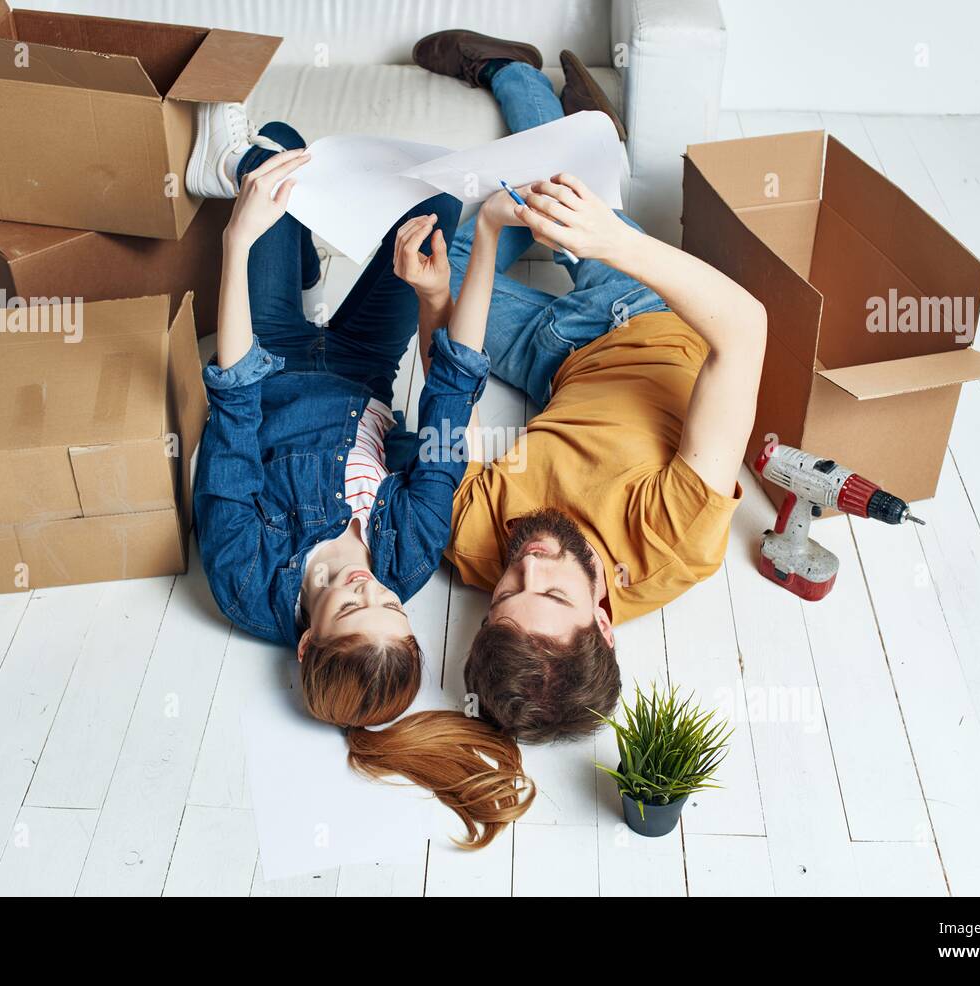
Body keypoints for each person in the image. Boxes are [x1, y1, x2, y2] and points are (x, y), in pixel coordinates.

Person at [184, 105, 535, 845]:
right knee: (439, 205)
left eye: (352, 606)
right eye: (391, 606)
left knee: (271, 153)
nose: (369, 586)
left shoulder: (243, 581)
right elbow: (447, 409)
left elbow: (235, 413)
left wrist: (236, 243)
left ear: (308, 644)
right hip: (359, 365)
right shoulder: (405, 561)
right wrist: (471, 259)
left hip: (271, 362)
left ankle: (277, 244)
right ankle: (305, 259)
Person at [407, 33, 768, 743]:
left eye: (509, 595)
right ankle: (517, 74)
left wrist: (471, 254)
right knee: (557, 181)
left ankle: (577, 136)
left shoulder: (480, 549)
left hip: (557, 363)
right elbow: (746, 330)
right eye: (552, 592)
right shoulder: (670, 539)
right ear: (603, 620)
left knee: (439, 267)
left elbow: (451, 377)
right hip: (645, 316)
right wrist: (609, 240)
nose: (528, 567)